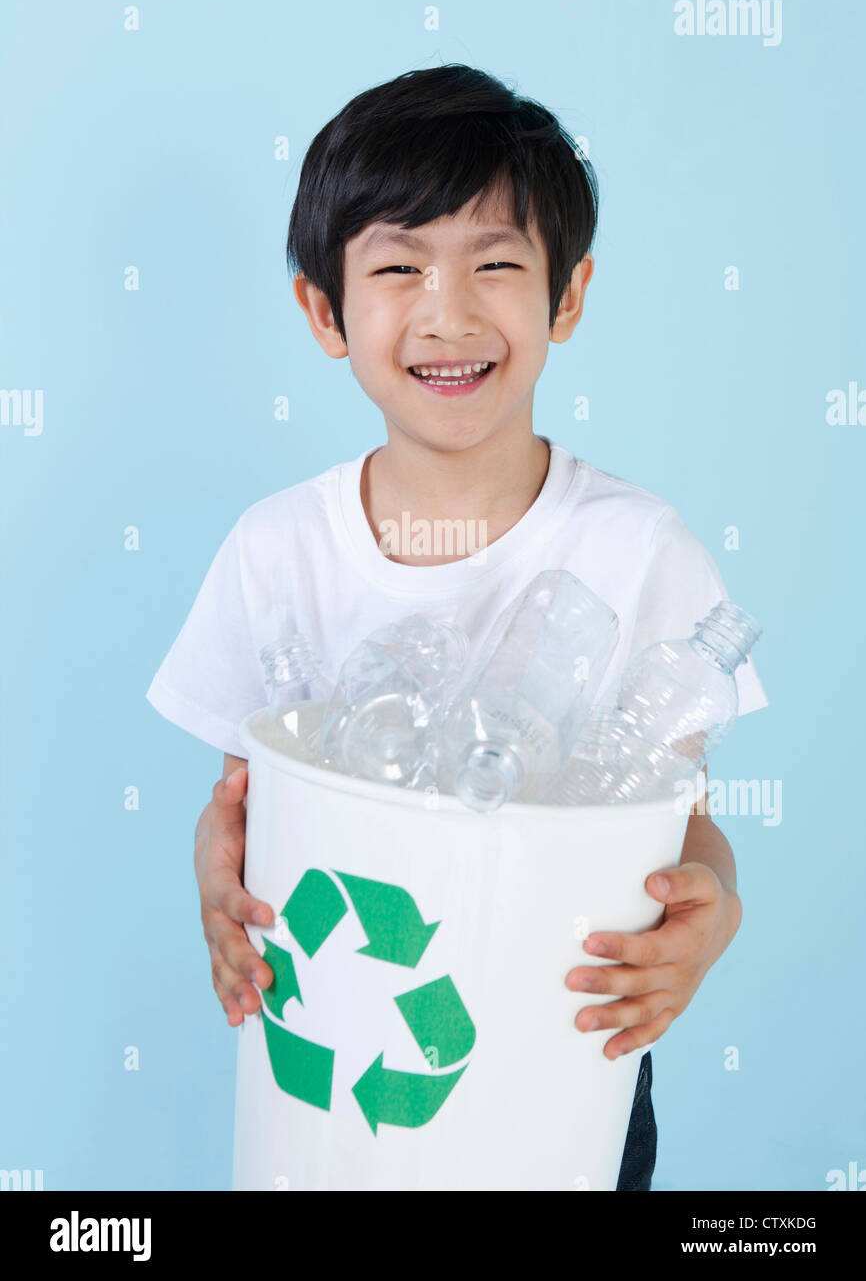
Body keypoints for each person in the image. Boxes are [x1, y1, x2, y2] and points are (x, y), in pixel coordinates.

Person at [146, 64, 768, 1190]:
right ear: (322, 309)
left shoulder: (634, 550)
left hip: (557, 1072)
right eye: (398, 267)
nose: (449, 311)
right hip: (327, 1076)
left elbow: (682, 828)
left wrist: (710, 915)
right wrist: (214, 878)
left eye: (495, 263)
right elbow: (243, 797)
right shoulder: (277, 550)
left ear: (565, 297)